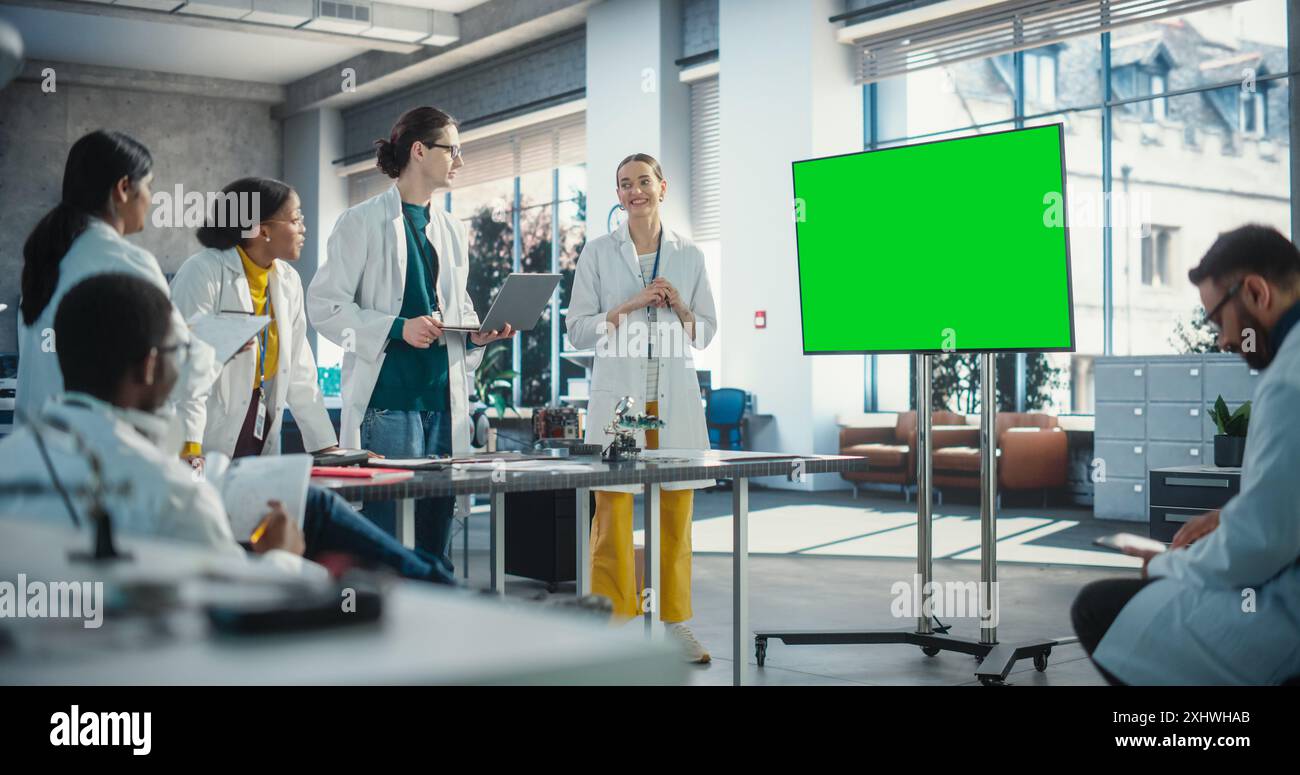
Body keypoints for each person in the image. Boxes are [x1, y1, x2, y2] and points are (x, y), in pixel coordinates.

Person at [0, 273, 456, 584]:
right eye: (180, 349)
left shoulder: (14, 459)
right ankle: (440, 588)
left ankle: (434, 579)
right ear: (150, 366)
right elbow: (235, 597)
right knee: (310, 518)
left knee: (307, 502)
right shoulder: (175, 497)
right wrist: (278, 554)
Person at [1072, 224, 1300, 685]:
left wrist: (1165, 564)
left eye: (1218, 321)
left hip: (1286, 616)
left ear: (1255, 292)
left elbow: (1256, 548)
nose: (1222, 341)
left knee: (1101, 610)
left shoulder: (1289, 380)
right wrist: (1231, 515)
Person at [307, 106, 513, 569]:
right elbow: (324, 307)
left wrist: (478, 336)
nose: (459, 161)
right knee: (389, 535)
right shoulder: (360, 222)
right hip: (390, 403)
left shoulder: (450, 229)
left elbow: (457, 308)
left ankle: (434, 631)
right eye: (452, 150)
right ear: (419, 151)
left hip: (443, 399)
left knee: (434, 533)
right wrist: (398, 327)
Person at [565, 153, 718, 662]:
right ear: (618, 194)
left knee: (675, 512)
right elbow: (578, 329)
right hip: (622, 404)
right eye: (625, 184)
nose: (635, 191)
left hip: (672, 401)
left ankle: (673, 623)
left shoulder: (689, 255)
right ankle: (612, 626)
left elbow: (705, 333)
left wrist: (678, 304)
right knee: (613, 511)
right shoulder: (598, 253)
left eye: (643, 182)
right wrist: (629, 304)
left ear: (663, 187)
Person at [16, 130, 217, 452]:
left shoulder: (49, 256)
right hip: (98, 459)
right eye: (149, 185)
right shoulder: (127, 261)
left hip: (35, 455)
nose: (151, 198)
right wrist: (214, 347)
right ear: (124, 188)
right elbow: (178, 371)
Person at [170, 177, 339, 460]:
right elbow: (185, 369)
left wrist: (326, 448)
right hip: (205, 434)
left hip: (258, 428)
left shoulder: (287, 280)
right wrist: (189, 447)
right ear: (262, 230)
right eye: (295, 219)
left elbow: (299, 371)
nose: (303, 228)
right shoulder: (202, 272)